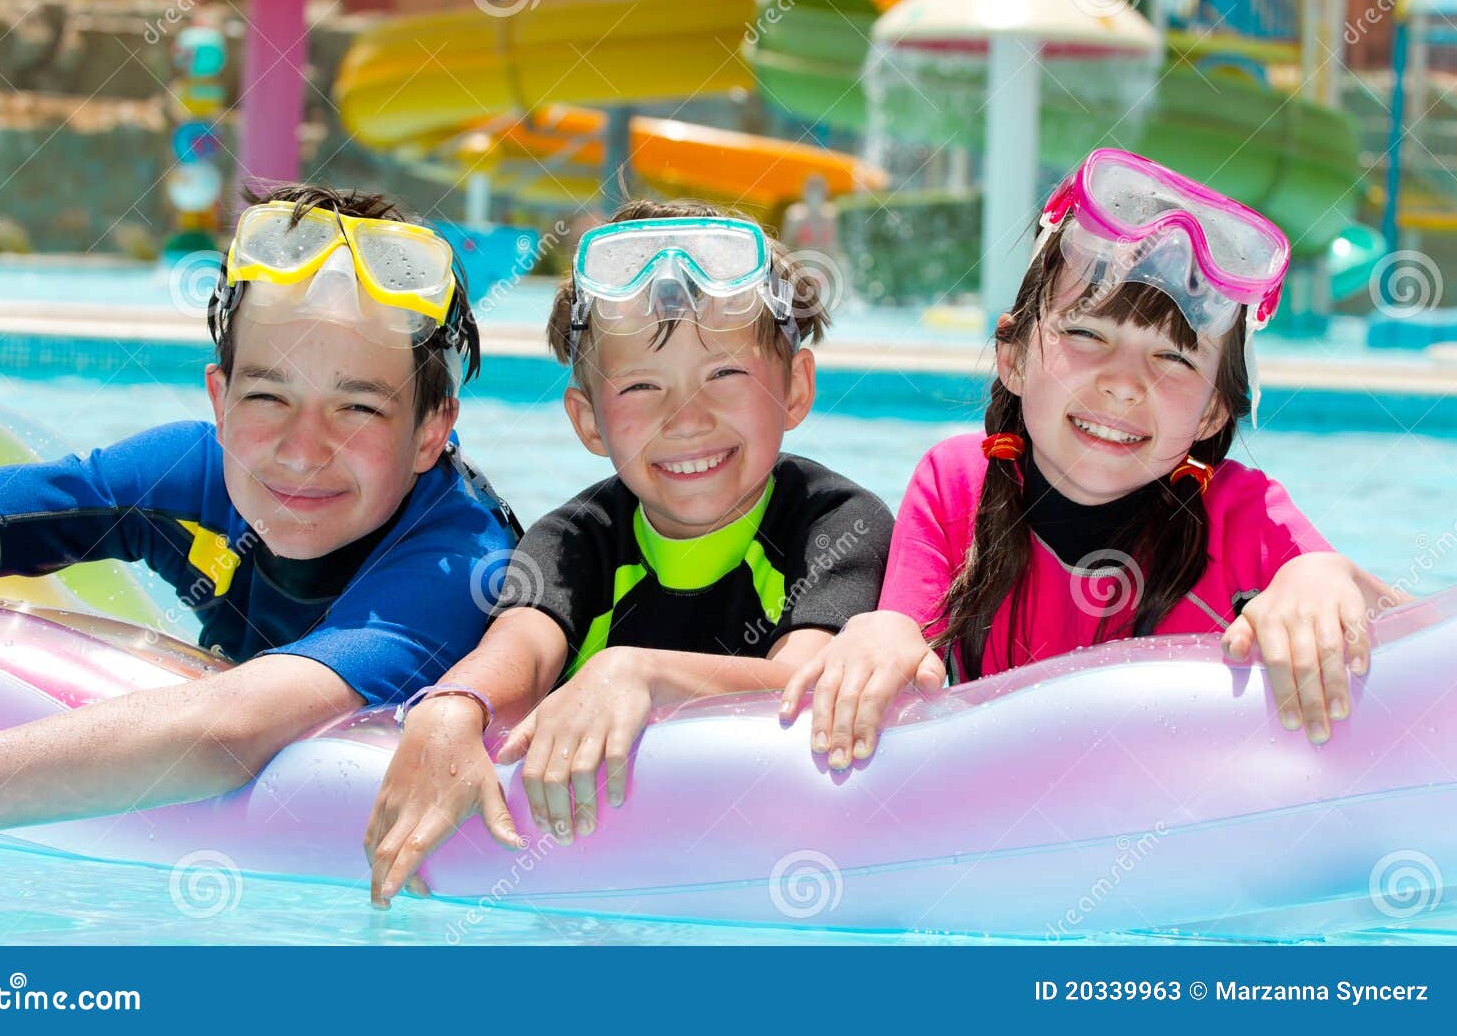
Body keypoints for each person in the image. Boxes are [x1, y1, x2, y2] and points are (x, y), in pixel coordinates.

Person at [0, 184, 518, 851]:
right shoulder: (195, 474)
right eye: (268, 395)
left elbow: (226, 729)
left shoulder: (461, 563)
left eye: (358, 408)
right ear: (220, 400)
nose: (303, 448)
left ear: (432, 430)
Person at [780, 149, 1405, 770]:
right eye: (1086, 335)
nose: (1124, 384)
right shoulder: (956, 486)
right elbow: (902, 650)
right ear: (1014, 358)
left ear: (1214, 412)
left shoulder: (1249, 519)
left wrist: (1332, 581)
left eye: (1174, 359)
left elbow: (1421, 663)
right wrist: (882, 634)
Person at [362, 200, 893, 903]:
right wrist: (452, 708)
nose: (688, 418)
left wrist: (637, 673)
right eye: (643, 386)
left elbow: (800, 683)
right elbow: (520, 648)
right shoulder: (577, 535)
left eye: (725, 374)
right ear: (587, 420)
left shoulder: (838, 521)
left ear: (795, 387)